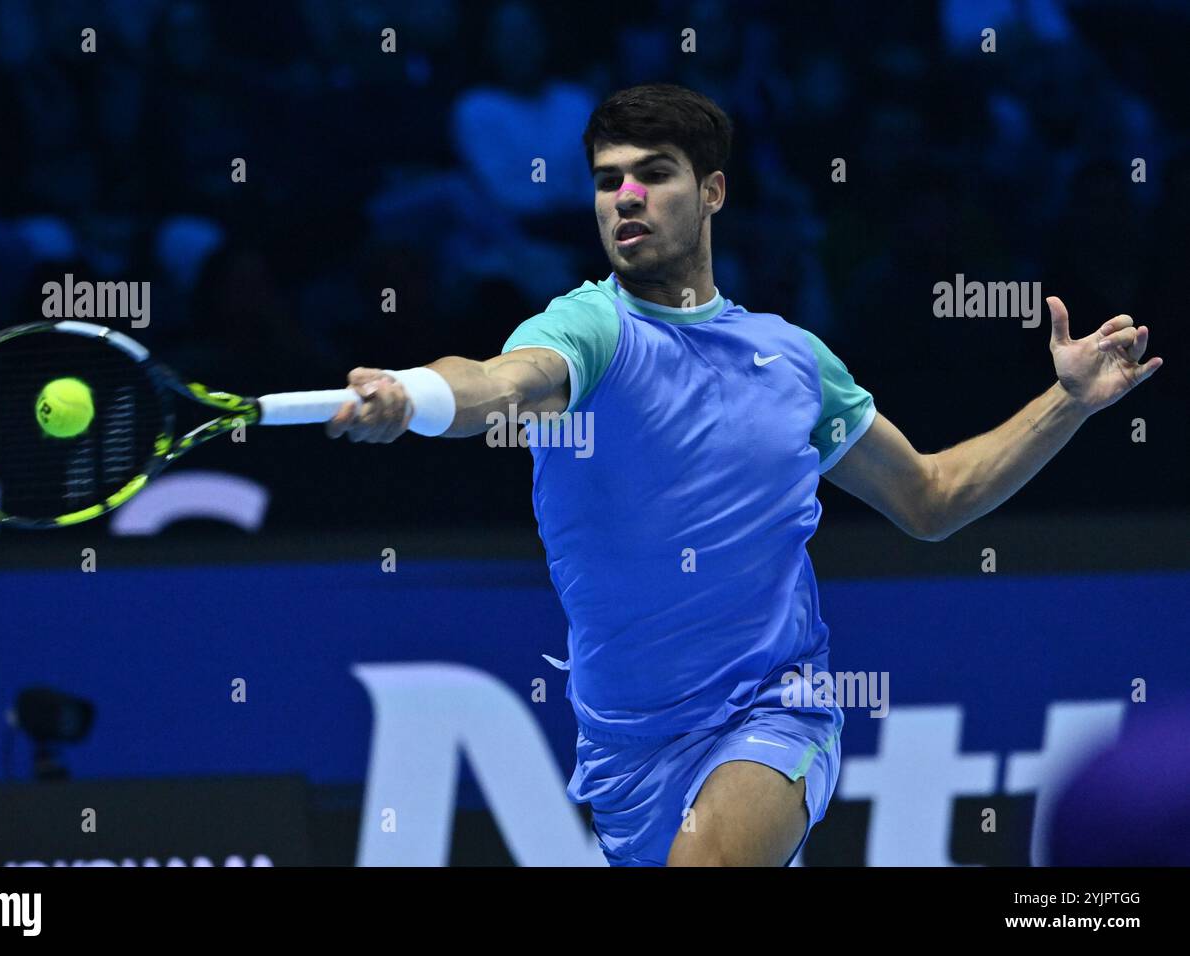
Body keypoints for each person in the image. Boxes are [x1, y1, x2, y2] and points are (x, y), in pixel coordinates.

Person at [325, 83, 1162, 866]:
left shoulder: (795, 364)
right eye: (608, 180)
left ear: (714, 193)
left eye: (654, 175)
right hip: (625, 755)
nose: (626, 197)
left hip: (774, 710)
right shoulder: (587, 328)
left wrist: (1070, 402)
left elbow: (931, 499)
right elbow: (498, 383)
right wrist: (419, 395)